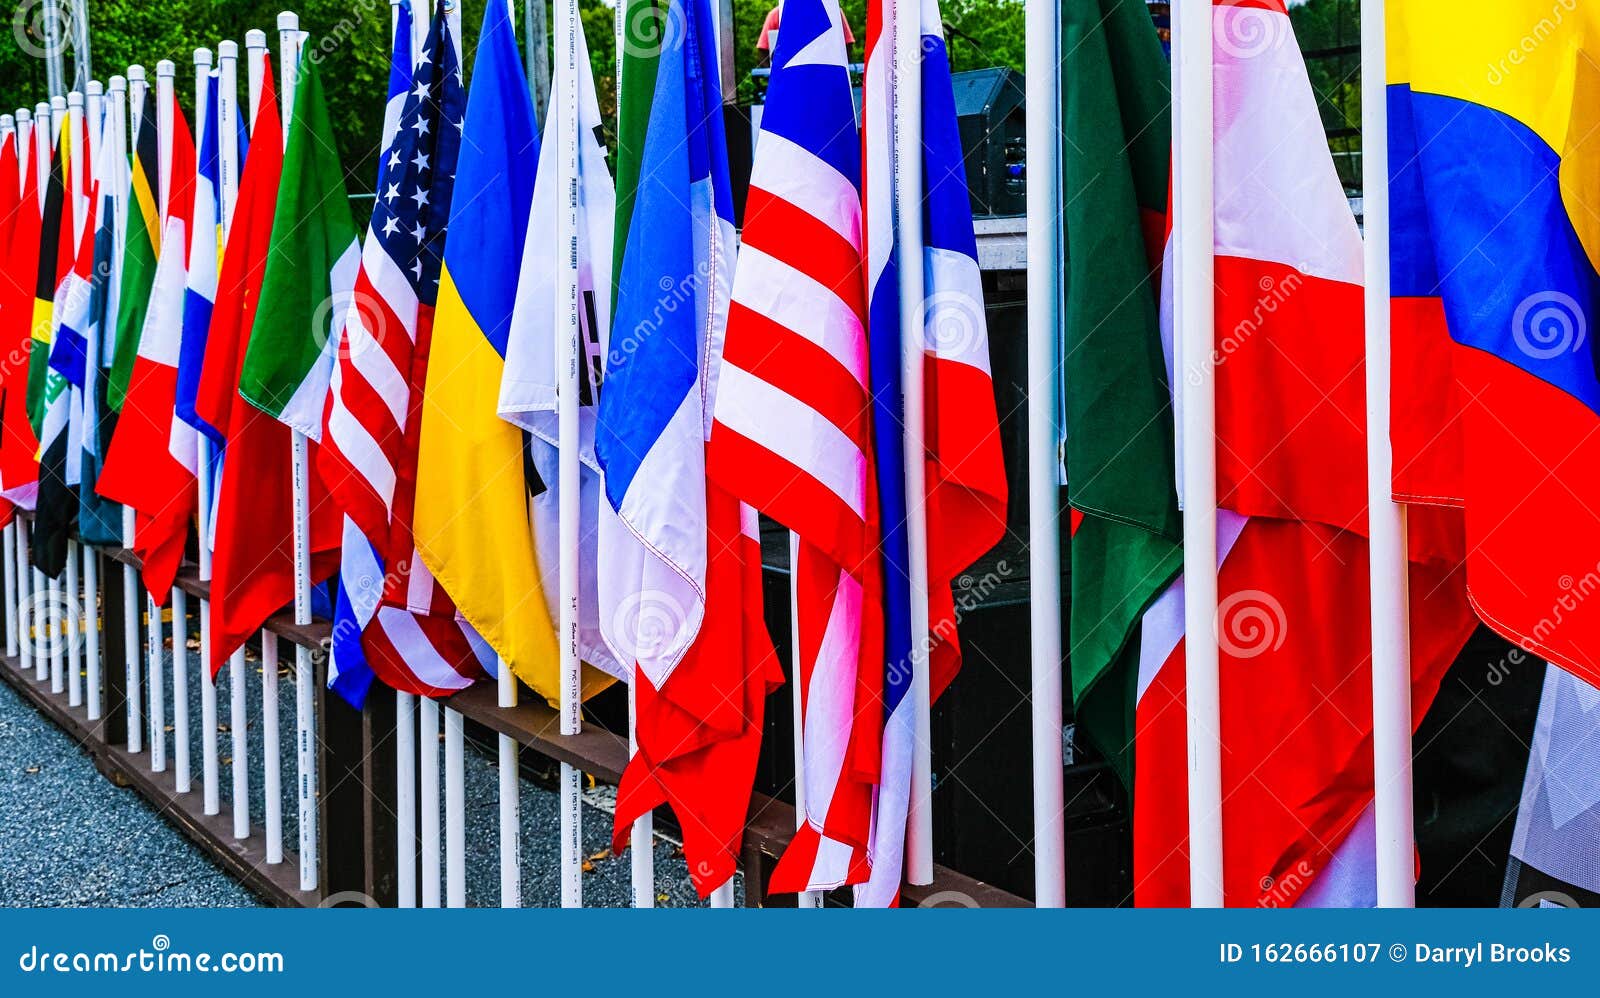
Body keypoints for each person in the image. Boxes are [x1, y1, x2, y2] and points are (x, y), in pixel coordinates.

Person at [756, 4, 855, 64]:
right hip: (788, 79)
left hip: (826, 74)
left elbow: (848, 44)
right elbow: (763, 49)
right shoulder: (775, 14)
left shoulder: (834, 11)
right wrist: (772, 76)